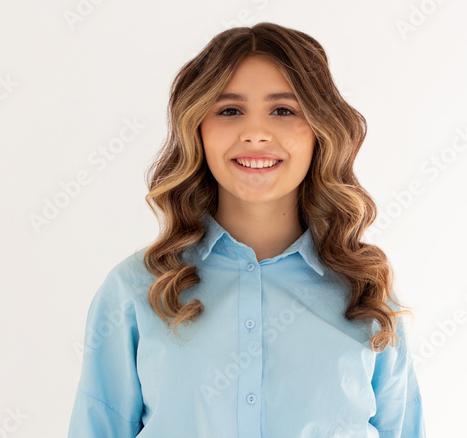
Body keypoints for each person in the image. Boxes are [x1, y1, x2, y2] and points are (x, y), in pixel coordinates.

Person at [68, 22, 425, 437]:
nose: (256, 133)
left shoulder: (366, 296)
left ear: (320, 131)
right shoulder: (135, 290)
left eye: (283, 110)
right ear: (197, 128)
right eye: (230, 110)